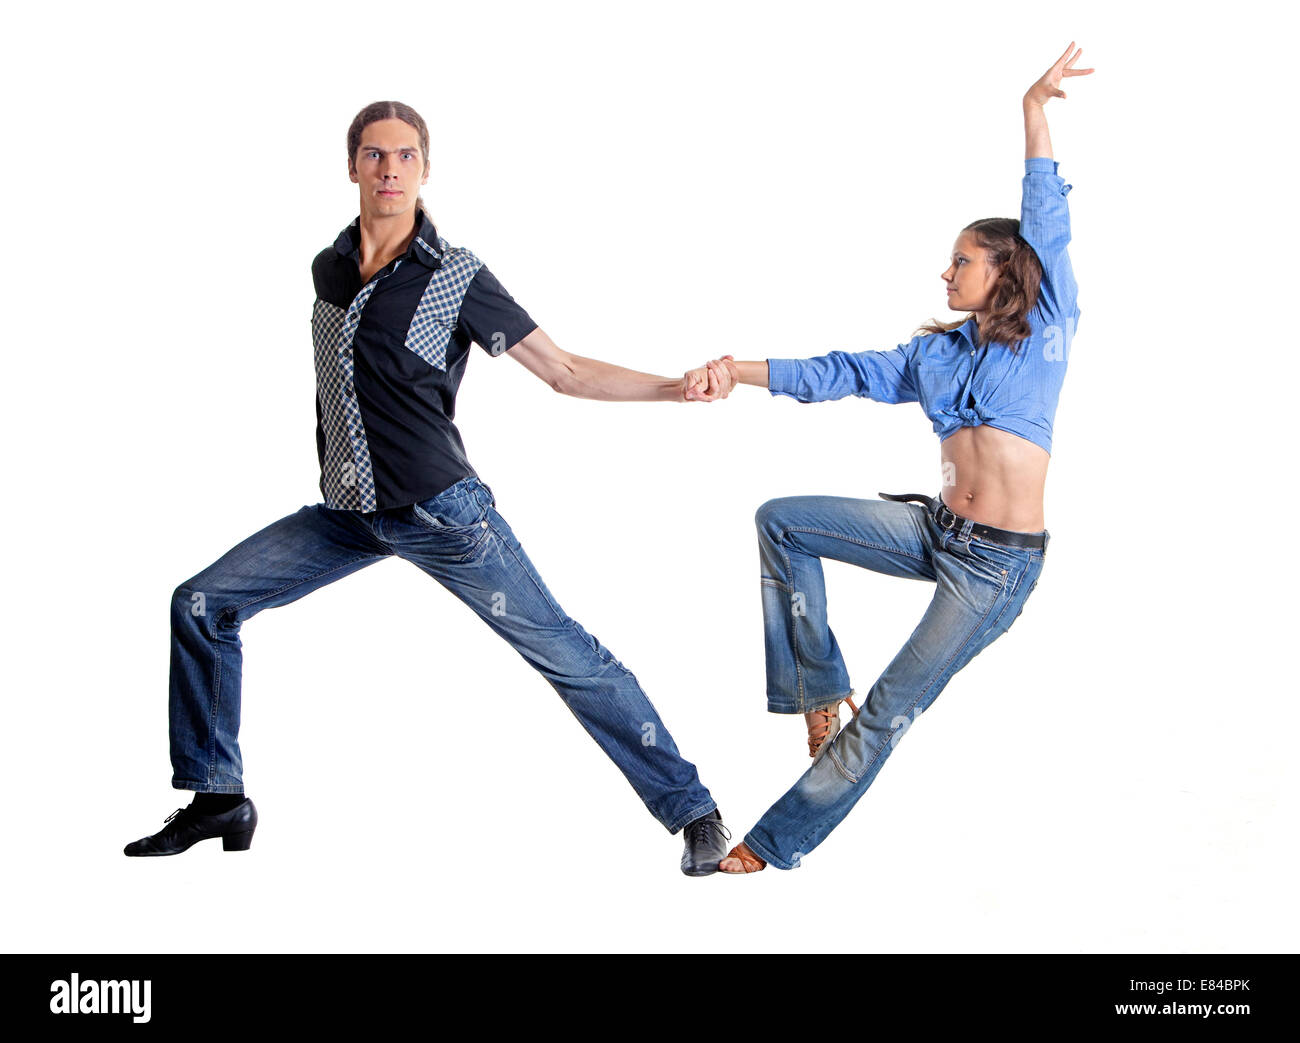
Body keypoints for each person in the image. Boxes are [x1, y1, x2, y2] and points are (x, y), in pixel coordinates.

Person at [124, 100, 736, 876]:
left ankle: (694, 810)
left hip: (443, 515)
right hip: (347, 514)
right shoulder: (329, 267)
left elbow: (565, 371)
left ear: (424, 169)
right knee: (203, 604)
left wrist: (673, 387)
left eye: (405, 156)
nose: (389, 170)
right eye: (375, 156)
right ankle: (218, 796)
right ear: (352, 166)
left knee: (569, 655)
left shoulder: (456, 275)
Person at [684, 44, 1092, 872]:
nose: (945, 271)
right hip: (937, 531)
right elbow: (839, 373)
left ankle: (773, 841)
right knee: (782, 524)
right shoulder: (934, 356)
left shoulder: (1046, 325)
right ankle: (814, 687)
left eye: (962, 261)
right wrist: (742, 372)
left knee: (892, 710)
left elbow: (1044, 214)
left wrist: (1034, 109)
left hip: (995, 571)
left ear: (1006, 270)